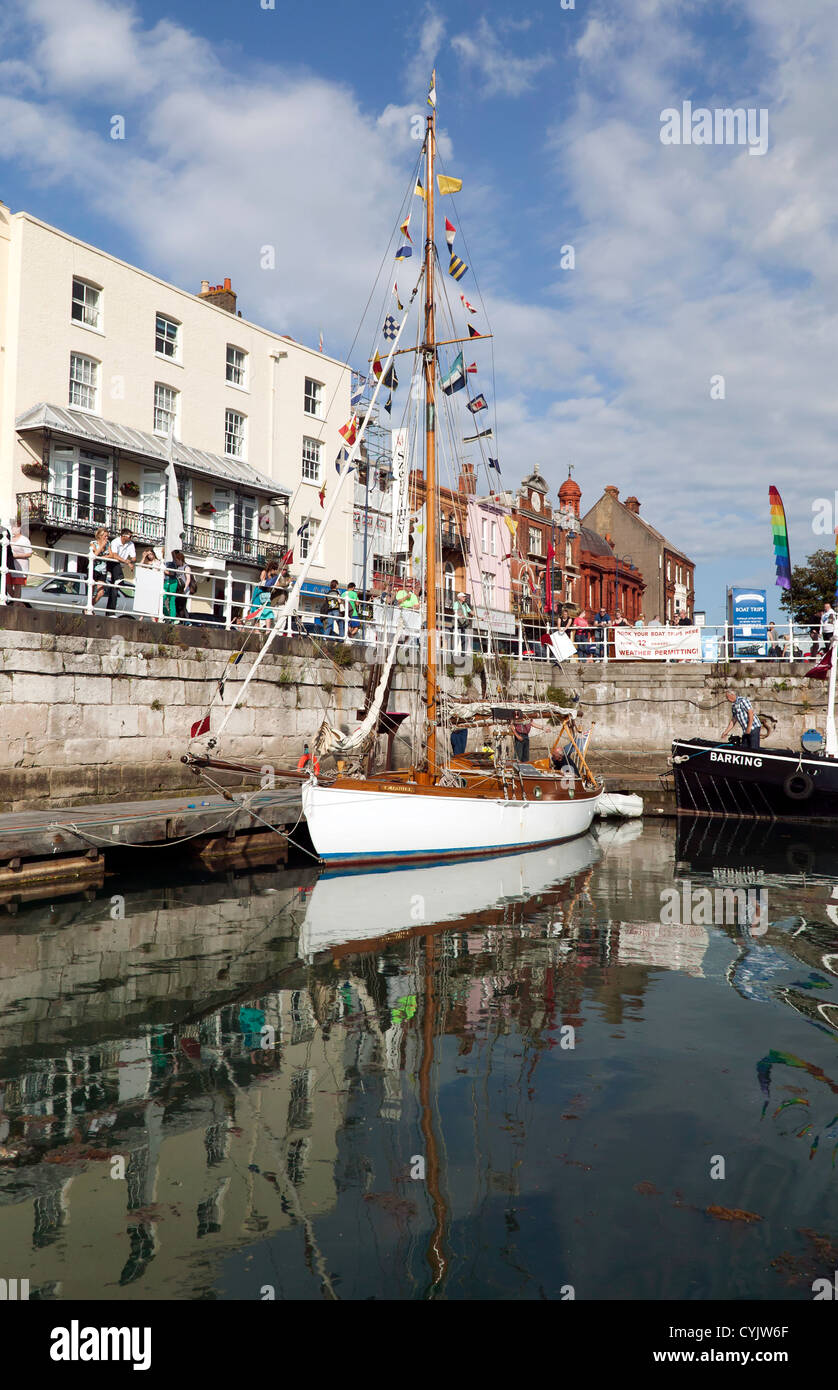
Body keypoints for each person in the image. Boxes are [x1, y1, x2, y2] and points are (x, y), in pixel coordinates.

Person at [107, 527, 136, 615]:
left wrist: (130, 562)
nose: (131, 538)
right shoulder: (115, 542)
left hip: (119, 566)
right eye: (130, 536)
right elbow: (114, 556)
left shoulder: (130, 544)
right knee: (116, 566)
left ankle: (110, 612)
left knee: (114, 590)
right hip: (112, 563)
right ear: (124, 536)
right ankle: (120, 578)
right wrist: (127, 562)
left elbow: (134, 557)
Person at [89, 528, 114, 609]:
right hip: (94, 569)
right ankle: (88, 609)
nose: (107, 538)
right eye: (105, 536)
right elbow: (95, 555)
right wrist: (102, 546)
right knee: (91, 591)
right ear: (100, 536)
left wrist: (102, 557)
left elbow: (111, 555)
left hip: (103, 570)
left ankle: (89, 607)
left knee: (101, 593)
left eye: (107, 536)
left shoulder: (108, 544)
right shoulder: (93, 543)